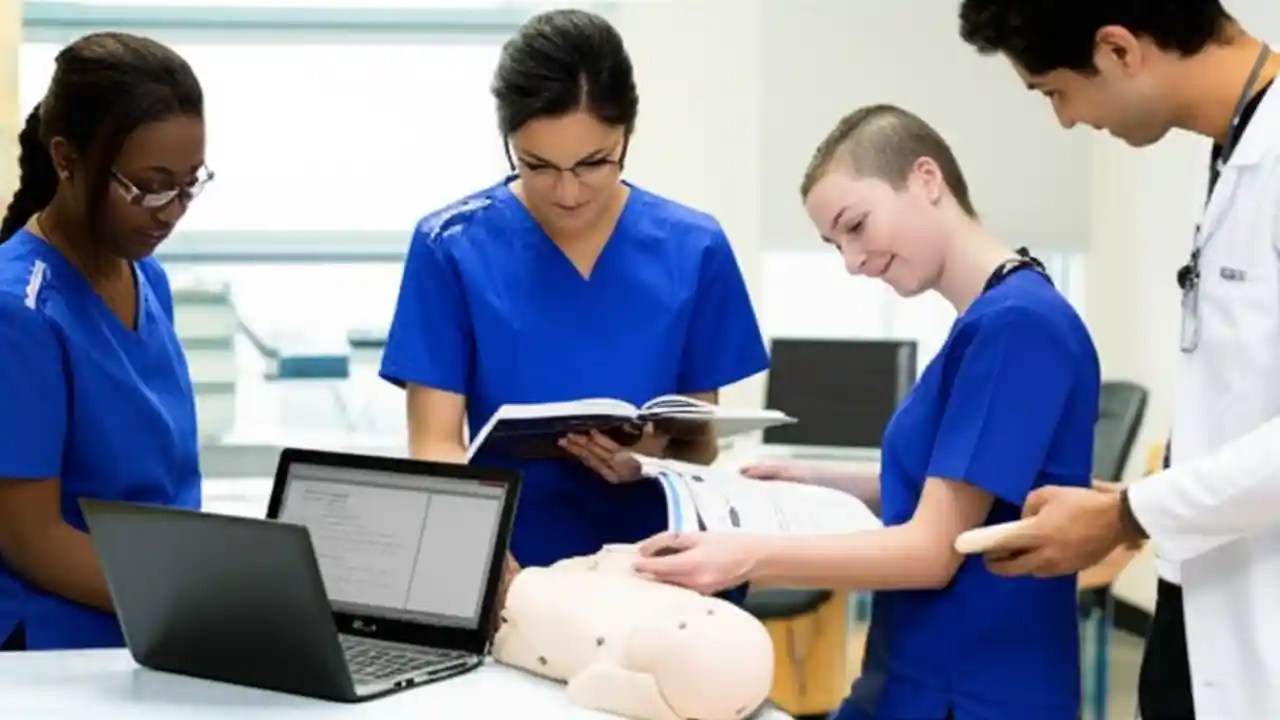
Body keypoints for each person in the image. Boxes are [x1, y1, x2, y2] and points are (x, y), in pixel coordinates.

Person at [634, 104, 1101, 720]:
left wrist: (748, 557)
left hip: (972, 693)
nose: (852, 261)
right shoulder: (990, 322)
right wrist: (822, 483)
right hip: (913, 678)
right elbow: (967, 495)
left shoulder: (1017, 328)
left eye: (856, 226)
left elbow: (933, 553)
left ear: (927, 180)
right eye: (835, 244)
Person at [957, 2, 1280, 716]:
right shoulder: (1236, 152)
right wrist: (1135, 504)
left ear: (1118, 49)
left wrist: (1130, 514)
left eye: (1054, 91)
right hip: (1197, 602)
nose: (1065, 120)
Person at [378, 9, 769, 585]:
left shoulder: (694, 247)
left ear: (627, 136)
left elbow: (700, 443)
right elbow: (435, 441)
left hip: (660, 569)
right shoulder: (450, 246)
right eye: (538, 165)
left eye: (593, 163)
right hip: (509, 566)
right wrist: (480, 554)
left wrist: (650, 458)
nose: (566, 192)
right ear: (508, 141)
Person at [0, 32, 209, 651]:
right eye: (149, 185)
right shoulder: (20, 311)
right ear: (67, 160)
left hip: (156, 623)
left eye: (189, 184)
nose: (170, 212)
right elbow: (29, 539)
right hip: (59, 647)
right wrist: (195, 596)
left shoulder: (147, 277)